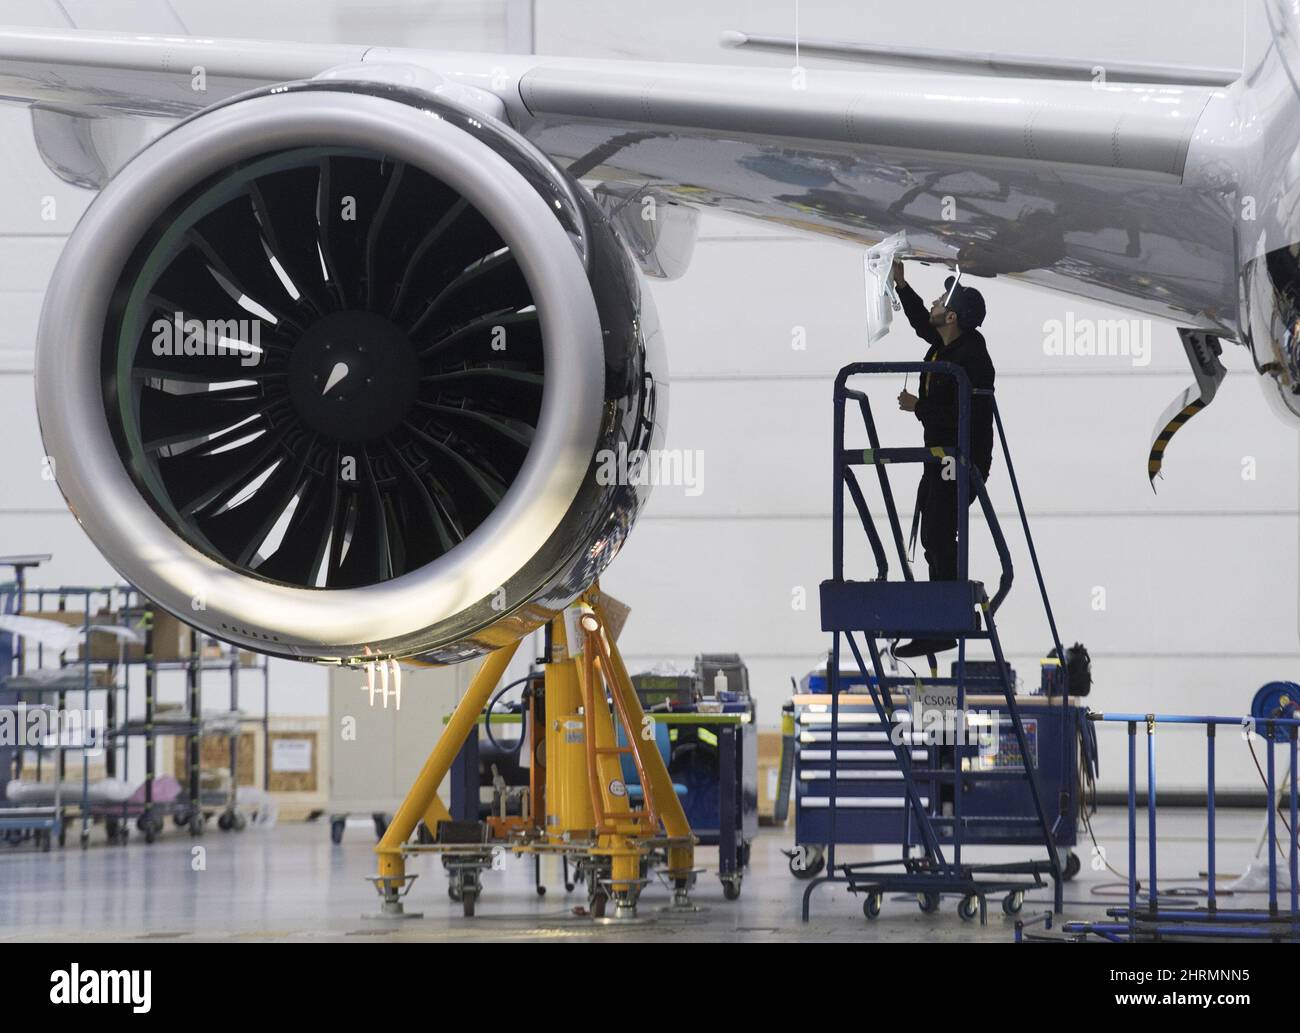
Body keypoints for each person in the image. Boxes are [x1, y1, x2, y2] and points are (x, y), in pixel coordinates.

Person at [891, 261, 994, 658]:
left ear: (952, 316)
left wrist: (919, 407)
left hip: (961, 460)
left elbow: (957, 414)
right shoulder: (943, 347)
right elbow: (922, 322)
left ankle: (945, 621)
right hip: (941, 458)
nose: (934, 301)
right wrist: (901, 285)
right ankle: (941, 619)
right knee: (934, 533)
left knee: (938, 531)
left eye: (941, 300)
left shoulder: (971, 359)